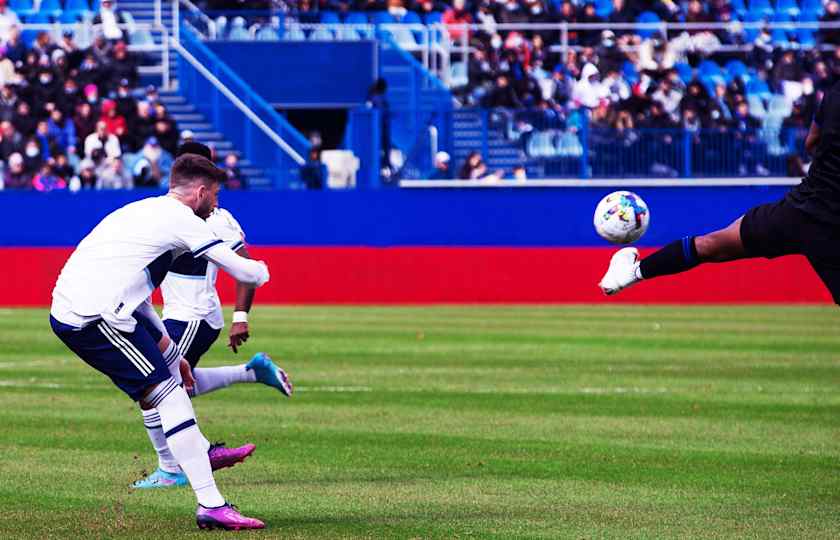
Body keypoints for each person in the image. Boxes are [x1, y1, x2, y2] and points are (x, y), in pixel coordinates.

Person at [50, 154, 270, 530]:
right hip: (92, 316)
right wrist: (264, 270)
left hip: (95, 306)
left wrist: (169, 349)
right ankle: (209, 501)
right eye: (214, 196)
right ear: (200, 192)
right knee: (168, 395)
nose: (215, 205)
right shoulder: (185, 220)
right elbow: (246, 271)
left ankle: (197, 465)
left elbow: (136, 291)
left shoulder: (146, 210)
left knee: (169, 386)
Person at [132, 142, 292, 489]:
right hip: (175, 315)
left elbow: (247, 267)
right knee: (169, 387)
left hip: (193, 316)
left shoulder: (218, 219)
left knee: (156, 388)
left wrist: (240, 316)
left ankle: (171, 467)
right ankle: (251, 372)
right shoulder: (167, 213)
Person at [599, 81, 840, 307]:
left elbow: (811, 142)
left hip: (804, 208)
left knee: (711, 245)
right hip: (825, 217)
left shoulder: (834, 93)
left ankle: (632, 273)